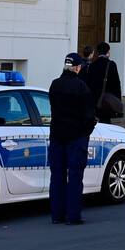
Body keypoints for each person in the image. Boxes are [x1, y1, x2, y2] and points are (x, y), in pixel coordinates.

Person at [48, 52, 96, 225]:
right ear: (76, 67)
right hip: (76, 138)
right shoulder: (82, 87)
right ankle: (73, 215)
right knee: (75, 177)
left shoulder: (54, 85)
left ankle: (56, 215)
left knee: (57, 177)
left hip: (57, 136)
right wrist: (85, 133)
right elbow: (89, 116)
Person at [84, 41, 123, 124]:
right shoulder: (111, 65)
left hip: (94, 100)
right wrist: (118, 100)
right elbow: (116, 84)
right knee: (106, 122)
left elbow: (88, 83)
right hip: (107, 101)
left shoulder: (92, 65)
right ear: (108, 52)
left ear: (98, 52)